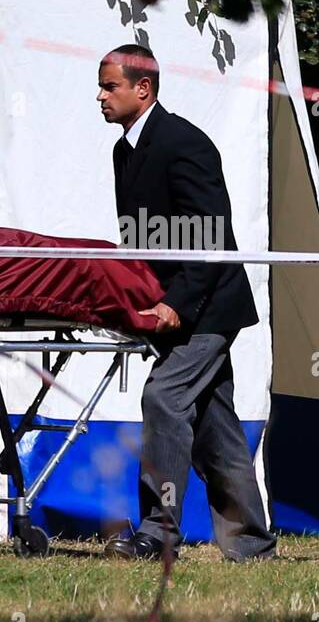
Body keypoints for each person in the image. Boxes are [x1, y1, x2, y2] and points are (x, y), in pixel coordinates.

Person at [98, 43, 276, 562]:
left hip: (209, 305)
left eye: (110, 86)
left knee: (163, 398)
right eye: (103, 86)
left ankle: (157, 532)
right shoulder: (123, 150)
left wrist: (178, 302)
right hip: (170, 306)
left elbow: (211, 236)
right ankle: (253, 545)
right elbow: (140, 237)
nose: (101, 96)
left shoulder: (184, 144)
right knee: (215, 429)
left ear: (142, 88)